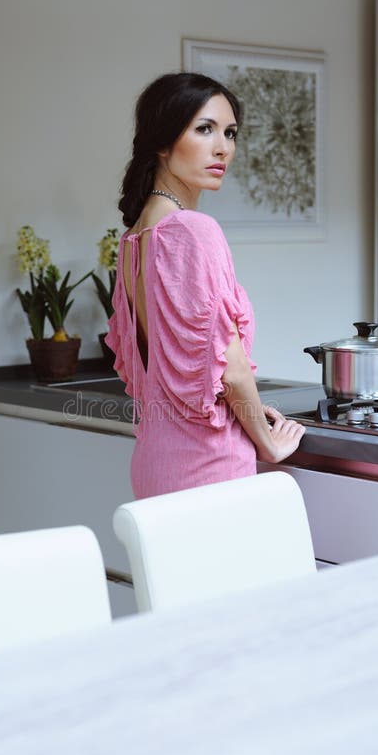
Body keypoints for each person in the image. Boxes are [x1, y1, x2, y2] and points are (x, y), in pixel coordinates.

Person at [105, 72, 305, 499]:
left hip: (155, 465)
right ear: (162, 141)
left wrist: (246, 411)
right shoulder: (192, 230)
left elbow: (178, 374)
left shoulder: (133, 241)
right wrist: (267, 442)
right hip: (208, 466)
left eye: (230, 133)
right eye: (204, 129)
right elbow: (229, 366)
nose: (223, 148)